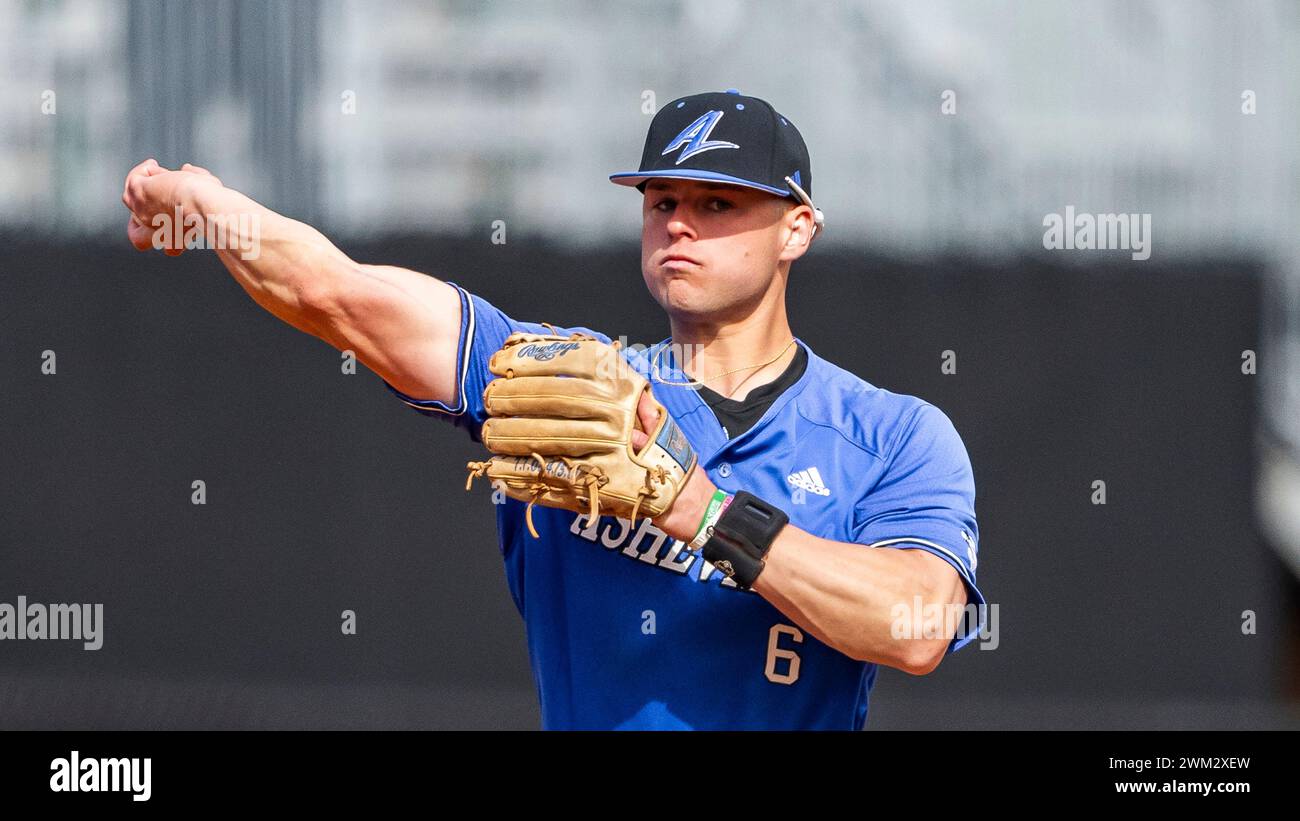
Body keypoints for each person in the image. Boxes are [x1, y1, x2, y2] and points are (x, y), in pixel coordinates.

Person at [121, 89, 985, 730]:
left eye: (717, 203)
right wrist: (215, 211)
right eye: (662, 202)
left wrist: (701, 511)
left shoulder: (892, 435)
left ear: (797, 228)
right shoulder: (564, 380)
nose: (679, 224)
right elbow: (340, 297)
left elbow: (919, 624)